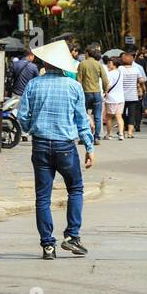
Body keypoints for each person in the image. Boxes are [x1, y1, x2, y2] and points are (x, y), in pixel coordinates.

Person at [17, 40, 94, 260]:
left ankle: (48, 246)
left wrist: (31, 128)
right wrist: (89, 147)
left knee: (43, 197)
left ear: (46, 64)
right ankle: (72, 236)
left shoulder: (34, 85)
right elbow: (82, 121)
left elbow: (22, 117)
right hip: (66, 147)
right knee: (76, 188)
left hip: (40, 144)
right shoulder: (74, 87)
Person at [78, 42, 110, 143]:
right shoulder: (98, 64)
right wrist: (105, 91)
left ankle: (84, 137)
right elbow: (105, 80)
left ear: (87, 53)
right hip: (96, 93)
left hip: (85, 93)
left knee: (83, 115)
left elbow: (78, 80)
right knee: (97, 116)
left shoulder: (82, 64)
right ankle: (96, 137)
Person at [121, 47, 147, 138]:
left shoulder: (120, 69)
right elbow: (142, 81)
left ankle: (122, 131)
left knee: (122, 114)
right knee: (132, 114)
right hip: (133, 96)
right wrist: (144, 90)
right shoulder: (136, 69)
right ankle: (130, 133)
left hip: (122, 96)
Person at [103, 53, 126, 140]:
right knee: (119, 116)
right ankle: (121, 134)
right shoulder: (120, 73)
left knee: (109, 117)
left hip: (111, 98)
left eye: (110, 63)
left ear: (114, 64)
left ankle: (109, 134)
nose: (108, 64)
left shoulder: (110, 74)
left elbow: (108, 85)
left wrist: (105, 91)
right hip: (120, 98)